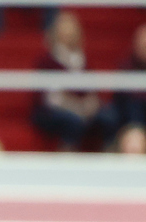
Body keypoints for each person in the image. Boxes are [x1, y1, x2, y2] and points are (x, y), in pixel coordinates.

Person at [31, 11, 117, 151]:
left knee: (108, 117)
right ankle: (67, 156)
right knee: (73, 121)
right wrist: (77, 109)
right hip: (54, 110)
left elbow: (92, 90)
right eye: (64, 30)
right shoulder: (47, 61)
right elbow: (51, 98)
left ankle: (109, 155)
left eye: (71, 30)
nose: (68, 34)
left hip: (83, 107)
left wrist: (90, 107)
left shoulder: (83, 60)